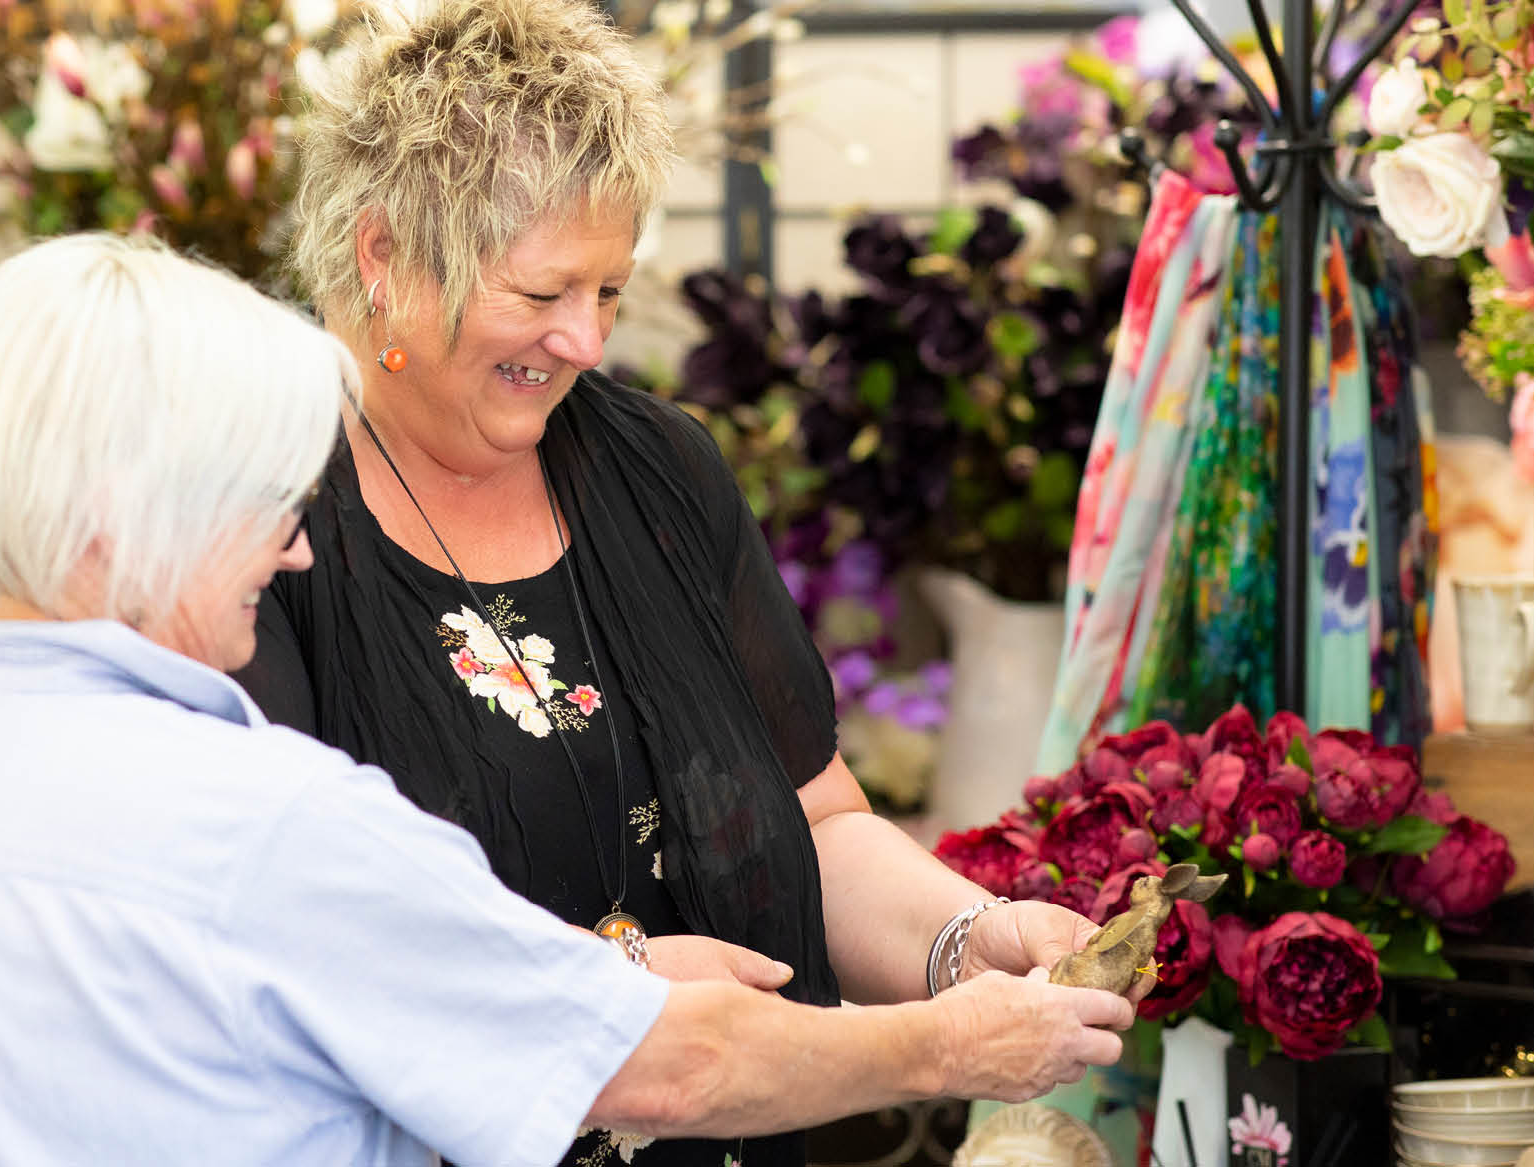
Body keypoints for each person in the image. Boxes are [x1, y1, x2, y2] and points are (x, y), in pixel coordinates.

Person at [0, 234, 1134, 1166]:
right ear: (127, 515)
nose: (291, 543)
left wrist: (615, 981)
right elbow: (668, 1065)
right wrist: (957, 1043)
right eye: (259, 499)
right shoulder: (254, 819)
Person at [234, 1, 1138, 1163]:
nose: (584, 342)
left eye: (606, 292)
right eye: (540, 292)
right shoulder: (258, 514)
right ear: (383, 255)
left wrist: (966, 939)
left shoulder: (656, 470)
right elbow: (278, 938)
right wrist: (607, 986)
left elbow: (813, 821)